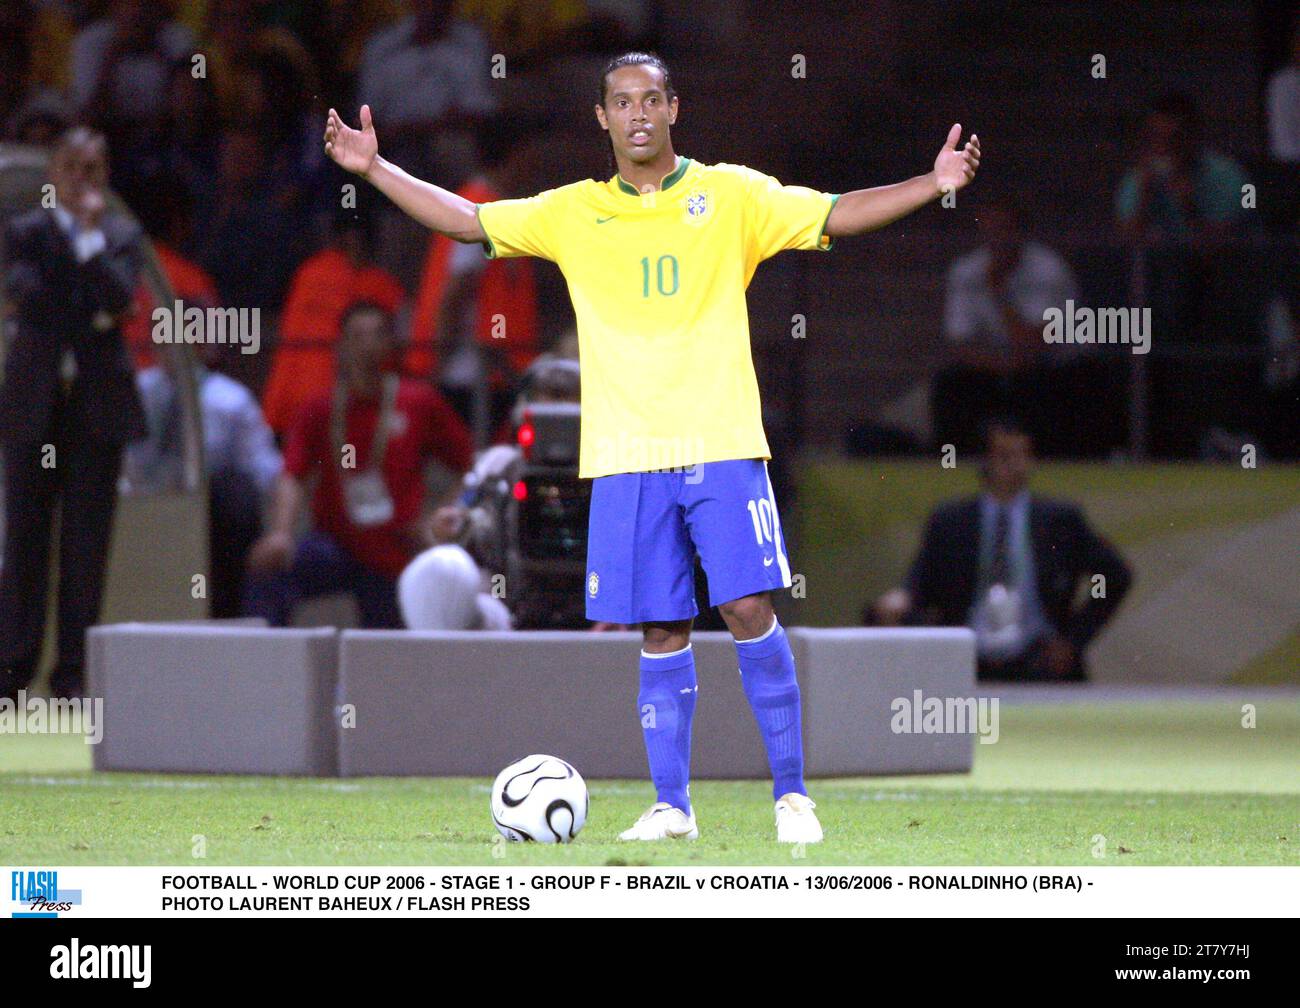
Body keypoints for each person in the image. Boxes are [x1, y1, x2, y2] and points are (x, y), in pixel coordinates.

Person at [323, 51, 981, 843]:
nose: (638, 114)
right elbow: (465, 221)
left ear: (674, 108)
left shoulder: (733, 194)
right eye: (622, 102)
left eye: (651, 100)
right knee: (661, 628)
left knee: (746, 607)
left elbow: (836, 211)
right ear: (602, 118)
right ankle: (673, 805)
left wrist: (931, 184)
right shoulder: (571, 211)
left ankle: (793, 795)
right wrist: (377, 167)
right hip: (627, 457)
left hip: (722, 441)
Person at [0, 127, 147, 700]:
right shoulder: (24, 231)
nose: (82, 179)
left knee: (87, 549)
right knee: (25, 543)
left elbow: (119, 299)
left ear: (105, 175)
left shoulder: (120, 234)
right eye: (72, 167)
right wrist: (90, 303)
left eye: (93, 167)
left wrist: (87, 246)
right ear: (53, 175)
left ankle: (72, 679)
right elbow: (24, 295)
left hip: (95, 410)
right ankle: (12, 675)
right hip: (33, 408)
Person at [244, 302, 472, 628]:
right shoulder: (320, 407)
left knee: (389, 645)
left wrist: (440, 519)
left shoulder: (418, 401)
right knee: (270, 572)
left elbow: (471, 468)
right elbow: (292, 473)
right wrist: (281, 533)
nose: (367, 345)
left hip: (397, 548)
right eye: (357, 335)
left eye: (377, 335)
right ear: (341, 345)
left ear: (391, 344)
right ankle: (265, 666)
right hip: (336, 542)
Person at [872, 419, 1132, 683]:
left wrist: (1073, 639)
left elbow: (1114, 576)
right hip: (967, 657)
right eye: (1006, 456)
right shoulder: (951, 521)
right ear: (986, 460)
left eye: (1023, 455)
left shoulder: (1059, 520)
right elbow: (920, 580)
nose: (1016, 465)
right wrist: (901, 597)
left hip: (1038, 658)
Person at [127, 341, 283, 619]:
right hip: (146, 508)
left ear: (201, 348)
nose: (170, 352)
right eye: (163, 343)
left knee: (233, 489)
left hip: (211, 521)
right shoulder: (137, 392)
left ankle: (225, 614)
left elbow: (265, 469)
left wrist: (276, 534)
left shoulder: (230, 399)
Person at [932, 197, 1083, 457]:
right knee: (950, 387)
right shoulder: (966, 271)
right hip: (992, 365)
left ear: (1019, 232)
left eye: (1003, 230)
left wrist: (999, 293)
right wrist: (999, 365)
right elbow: (960, 343)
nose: (997, 239)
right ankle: (959, 462)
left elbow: (1034, 344)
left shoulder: (1049, 270)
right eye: (989, 231)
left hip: (1048, 367)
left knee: (1045, 390)